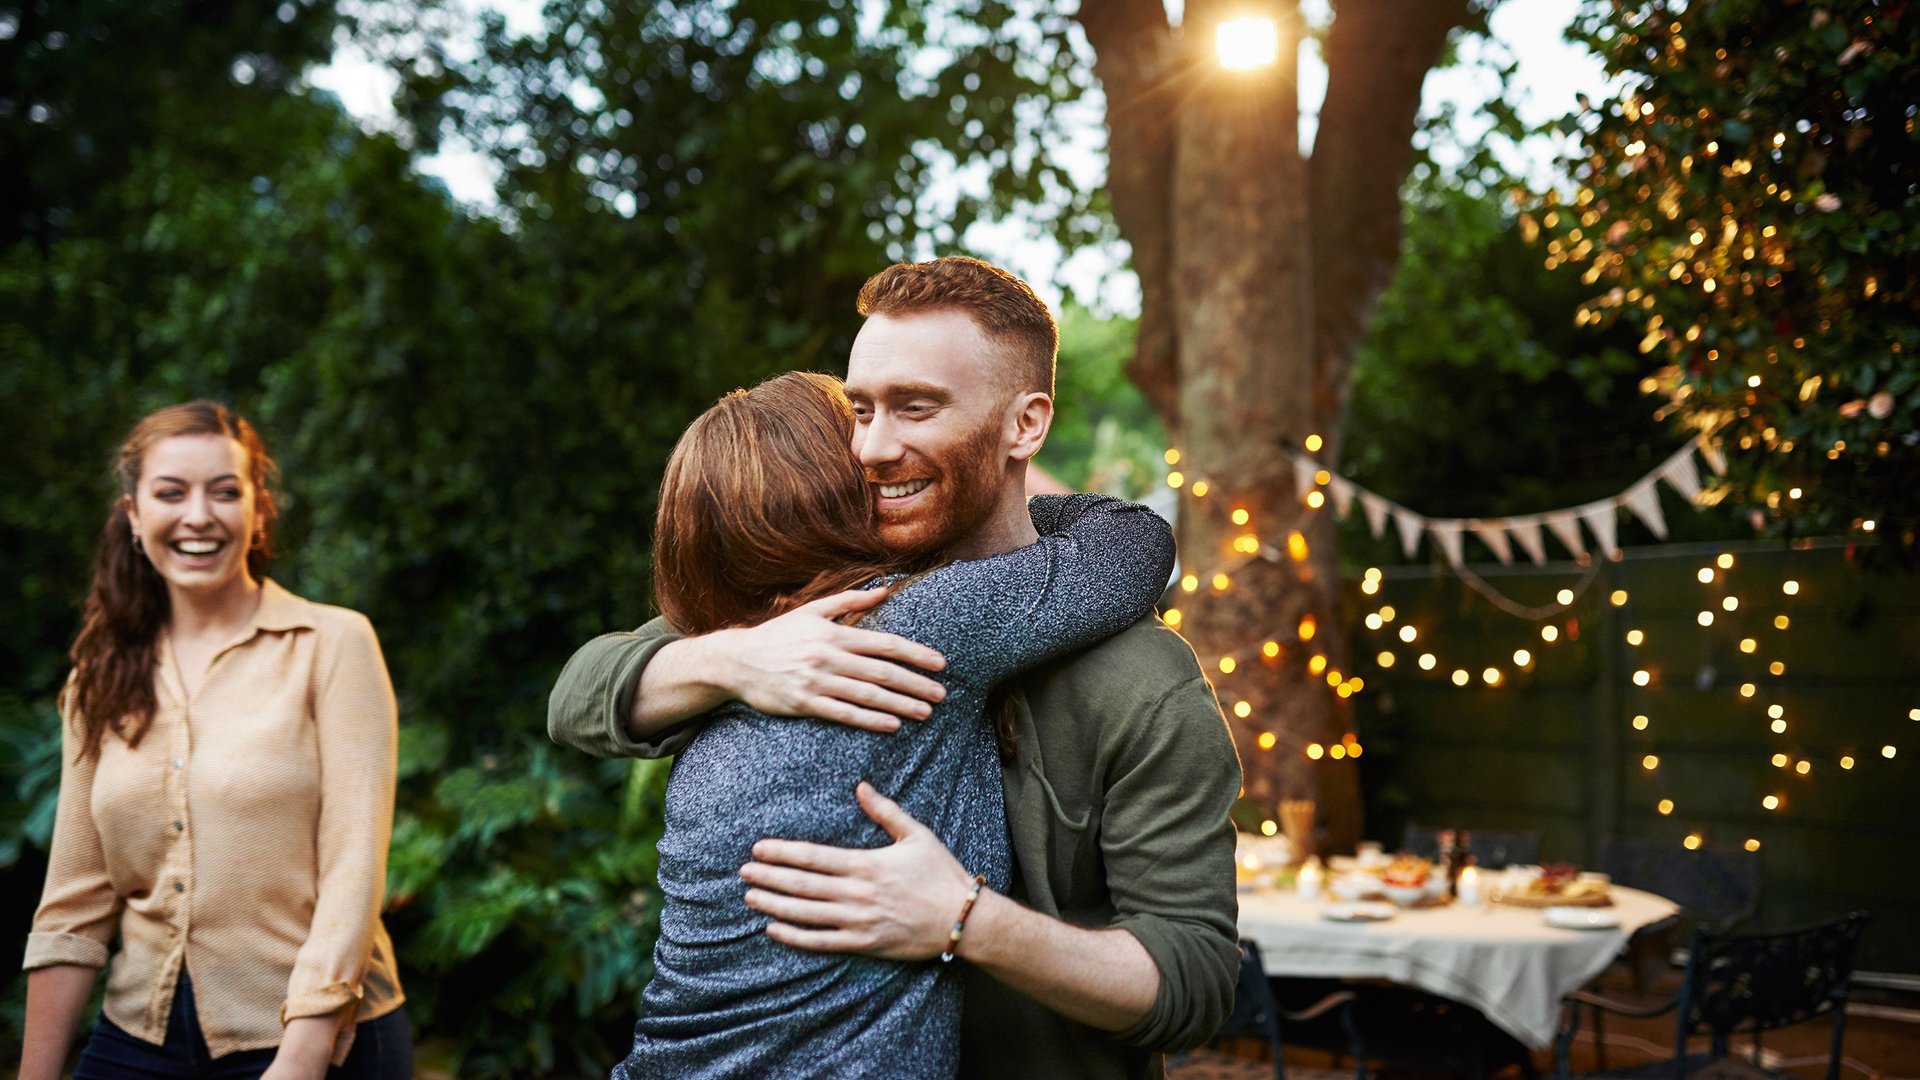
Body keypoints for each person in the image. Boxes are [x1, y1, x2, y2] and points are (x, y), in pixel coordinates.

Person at [550, 256, 1242, 1079]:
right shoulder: (805, 610)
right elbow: (581, 693)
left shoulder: (1141, 680)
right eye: (860, 409)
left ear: (1026, 425)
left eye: (916, 408)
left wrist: (969, 921)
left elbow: (1195, 983)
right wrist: (731, 658)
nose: (873, 448)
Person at [618, 371, 1174, 1077]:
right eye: (858, 433)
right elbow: (1136, 546)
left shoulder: (714, 667)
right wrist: (987, 487)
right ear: (838, 489)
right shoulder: (911, 622)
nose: (879, 451)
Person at [20, 402, 410, 1080]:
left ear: (258, 511)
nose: (198, 515)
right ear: (134, 514)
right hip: (135, 1035)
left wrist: (302, 1055)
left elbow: (353, 868)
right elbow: (73, 906)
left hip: (313, 1036)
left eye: (224, 492)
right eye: (171, 493)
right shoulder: (97, 677)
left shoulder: (333, 645)